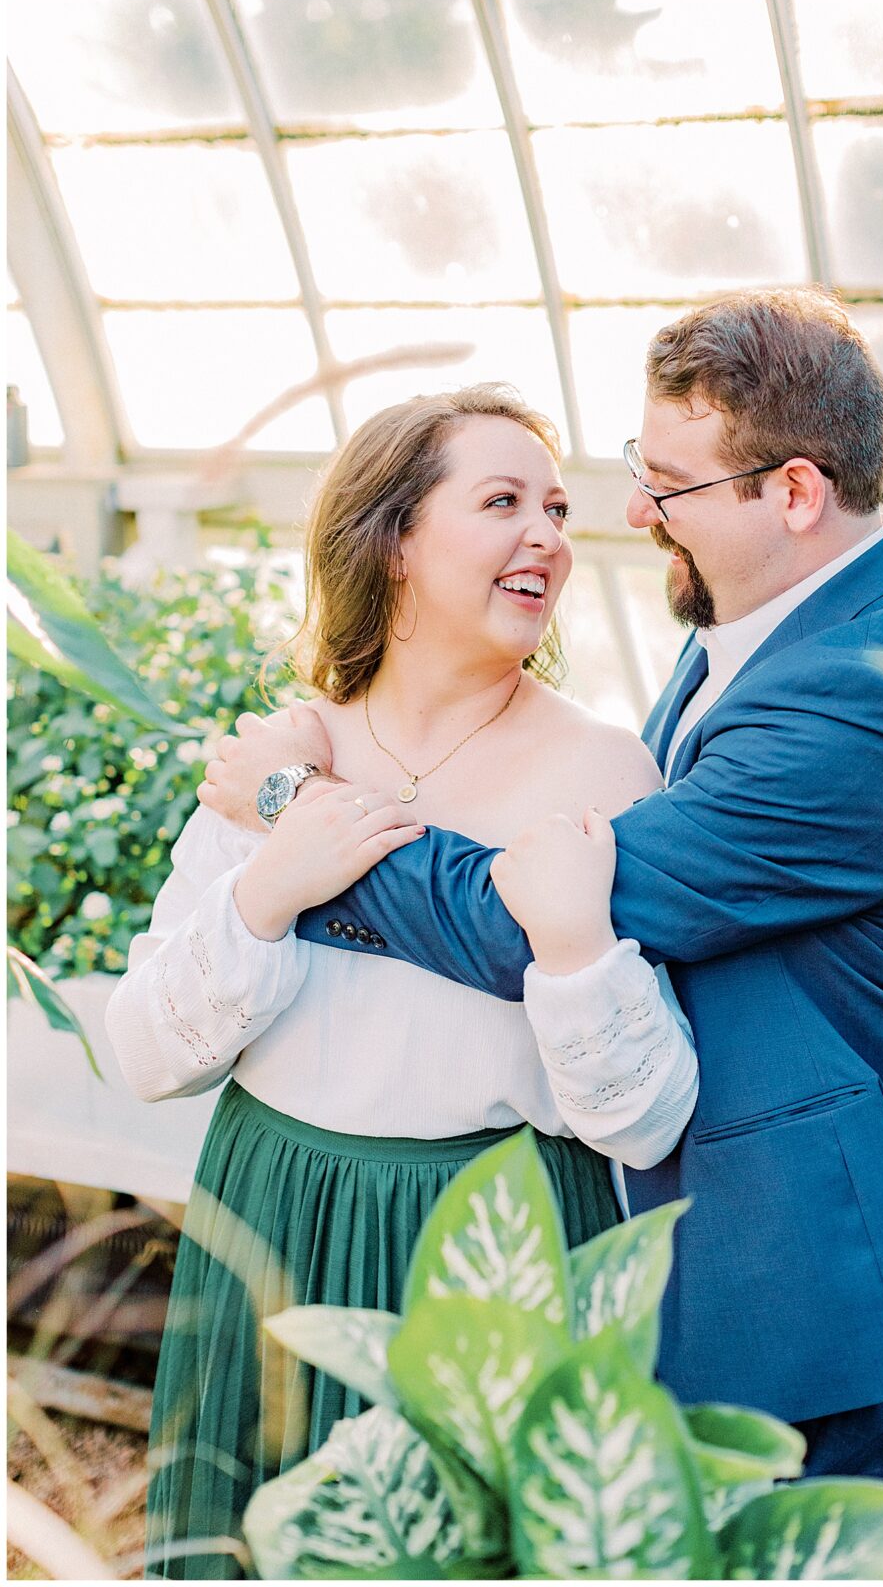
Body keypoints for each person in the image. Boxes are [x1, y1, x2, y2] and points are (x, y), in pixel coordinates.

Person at [207, 288, 883, 1488]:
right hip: (746, 1236)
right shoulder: (763, 620)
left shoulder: (862, 698)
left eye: (669, 486)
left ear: (793, 493)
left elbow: (530, 911)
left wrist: (297, 824)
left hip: (814, 1269)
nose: (633, 514)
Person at [105, 384, 699, 1579]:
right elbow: (142, 1052)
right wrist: (270, 889)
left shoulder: (604, 771)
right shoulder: (281, 752)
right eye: (501, 502)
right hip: (272, 1222)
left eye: (556, 508)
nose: (548, 535)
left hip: (496, 1248)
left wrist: (579, 950)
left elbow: (647, 1118)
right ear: (396, 538)